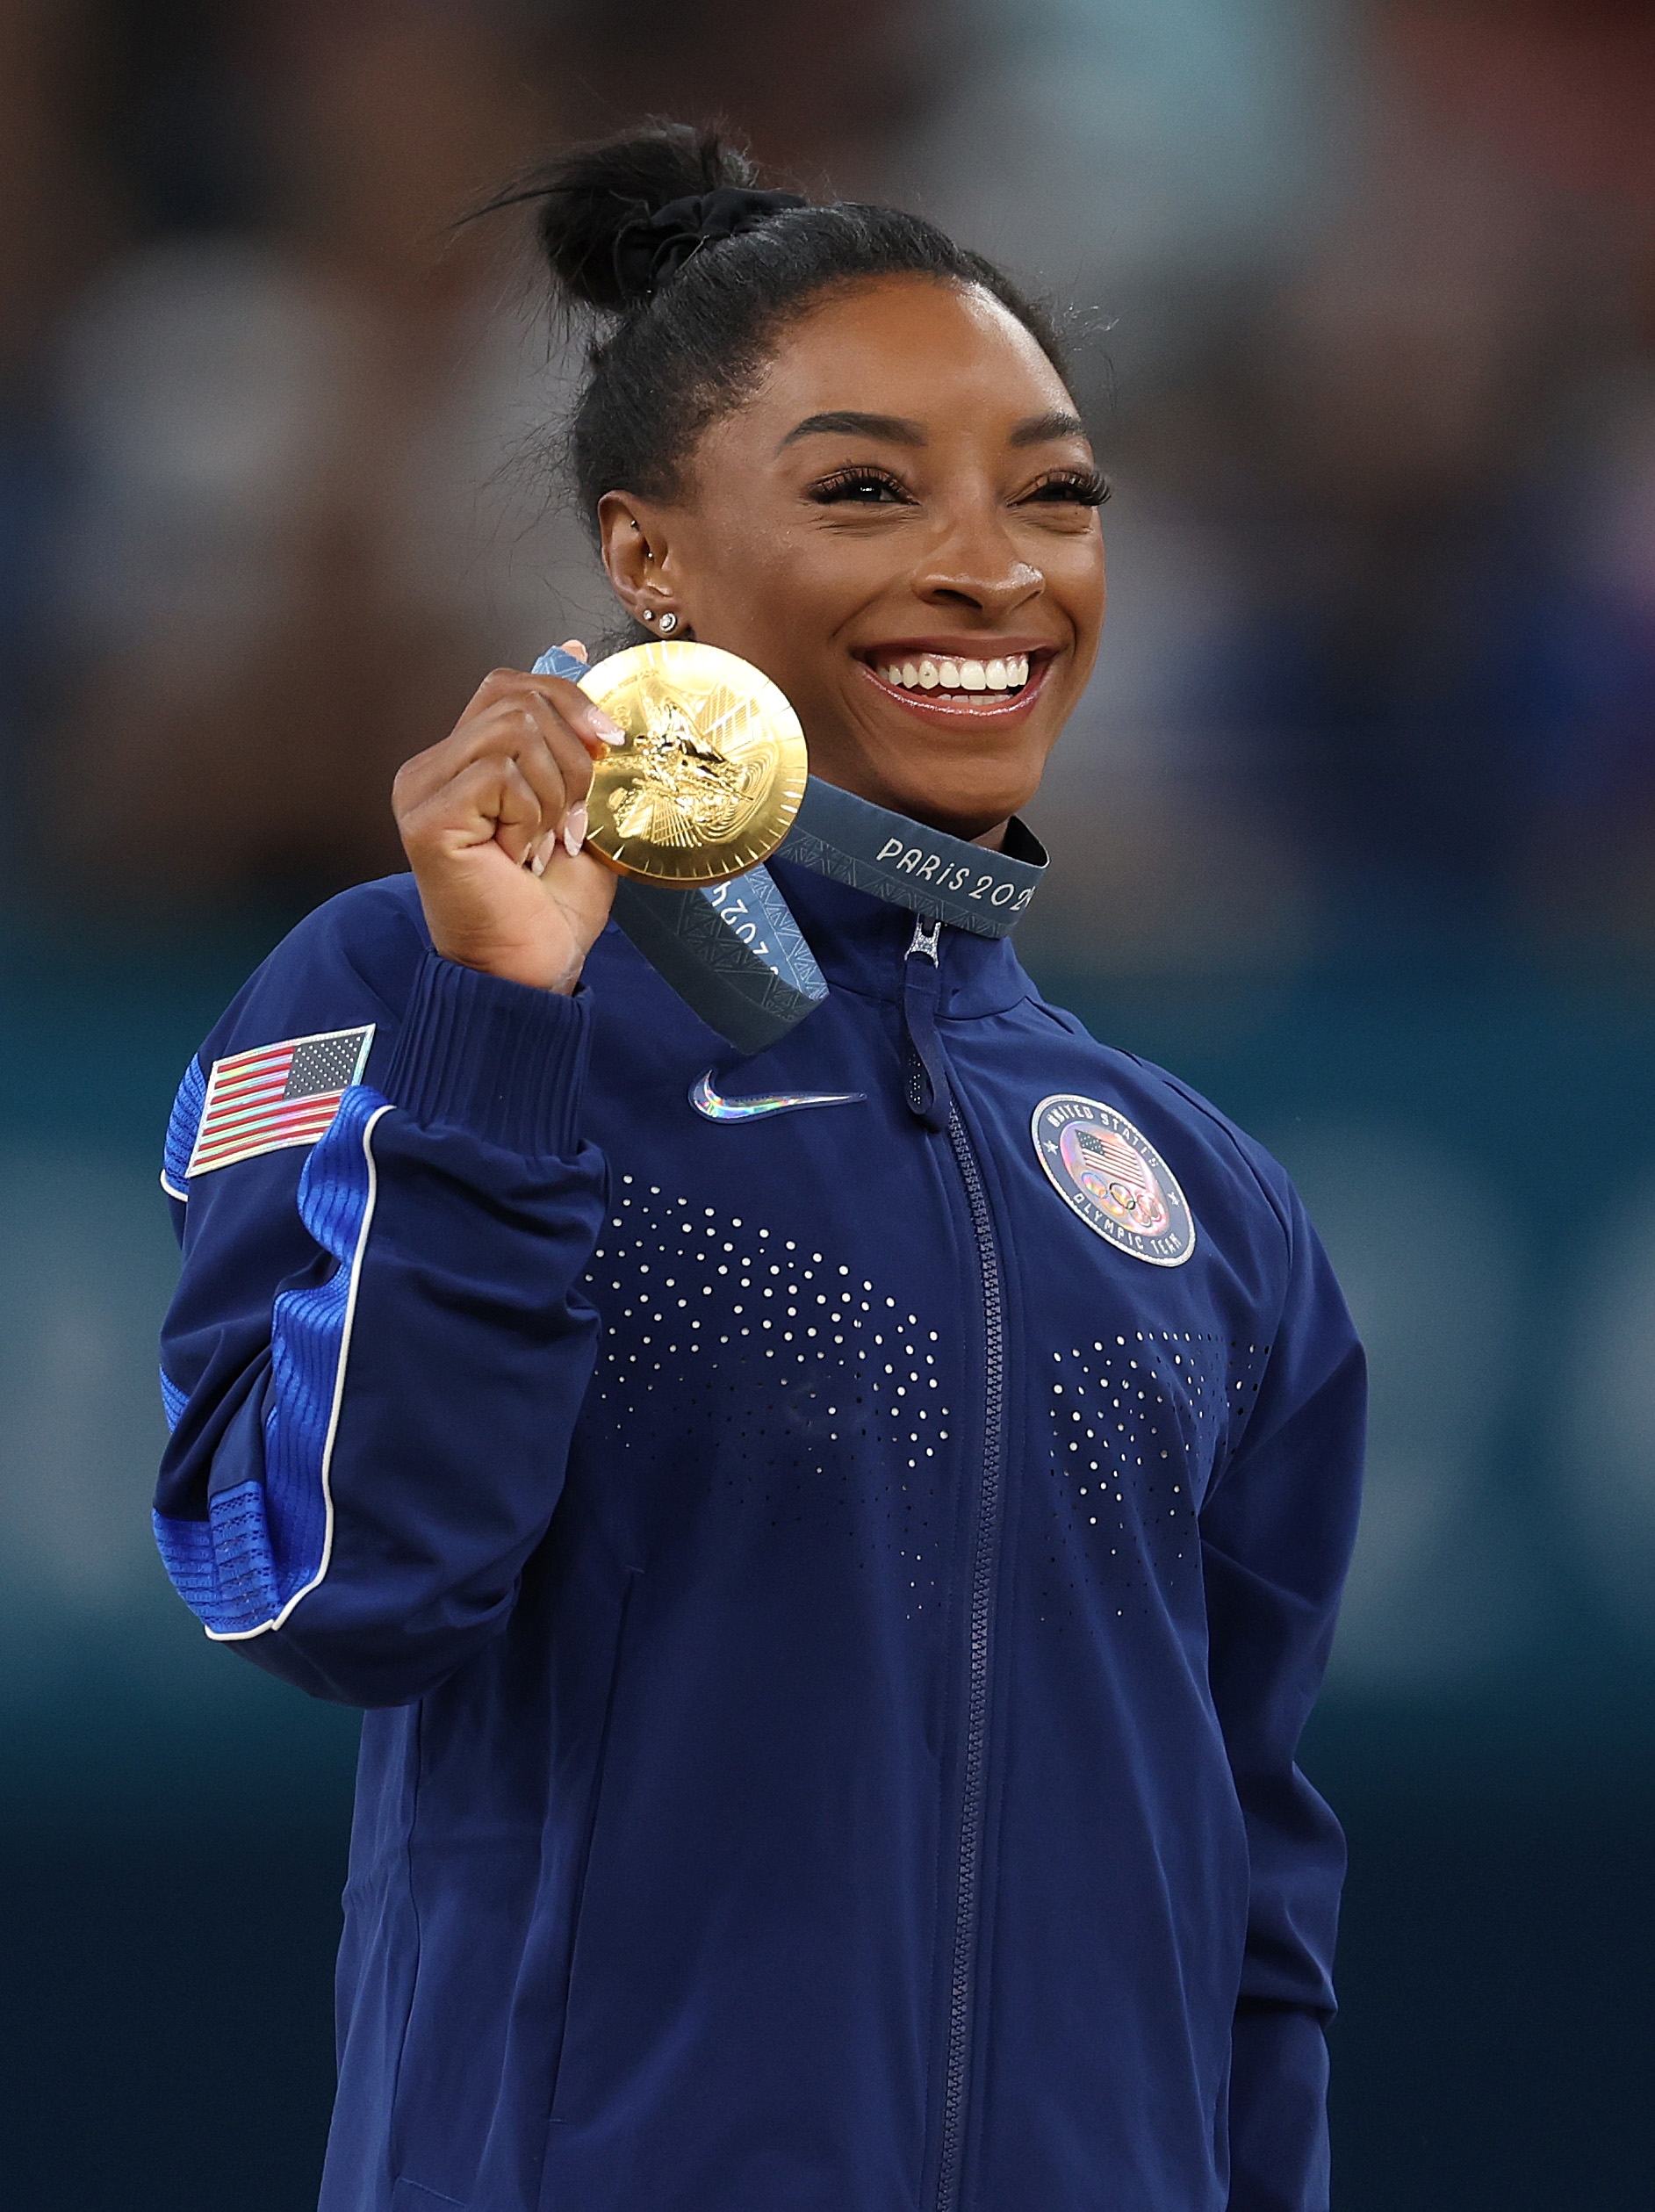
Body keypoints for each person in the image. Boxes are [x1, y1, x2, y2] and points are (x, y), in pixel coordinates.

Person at [153, 125, 1364, 2212]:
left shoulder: (1203, 1200)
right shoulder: (409, 983)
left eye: (1055, 494)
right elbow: (320, 1579)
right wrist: (501, 1028)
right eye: (868, 491)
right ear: (650, 560)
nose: (995, 568)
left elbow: (1254, 1909)